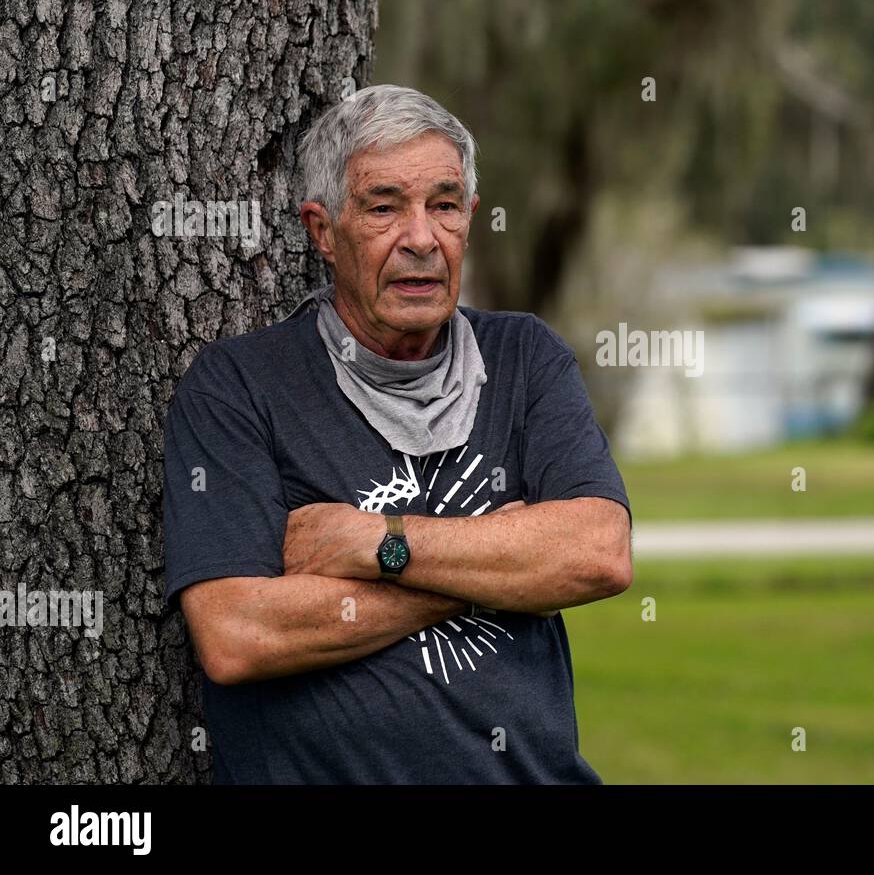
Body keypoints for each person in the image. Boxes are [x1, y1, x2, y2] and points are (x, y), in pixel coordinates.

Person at [162, 84, 633, 783]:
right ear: (323, 231)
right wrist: (497, 570)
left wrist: (373, 543)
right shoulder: (241, 386)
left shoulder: (524, 359)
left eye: (443, 205)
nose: (422, 238)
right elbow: (238, 634)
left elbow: (598, 552)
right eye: (384, 207)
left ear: (469, 219)